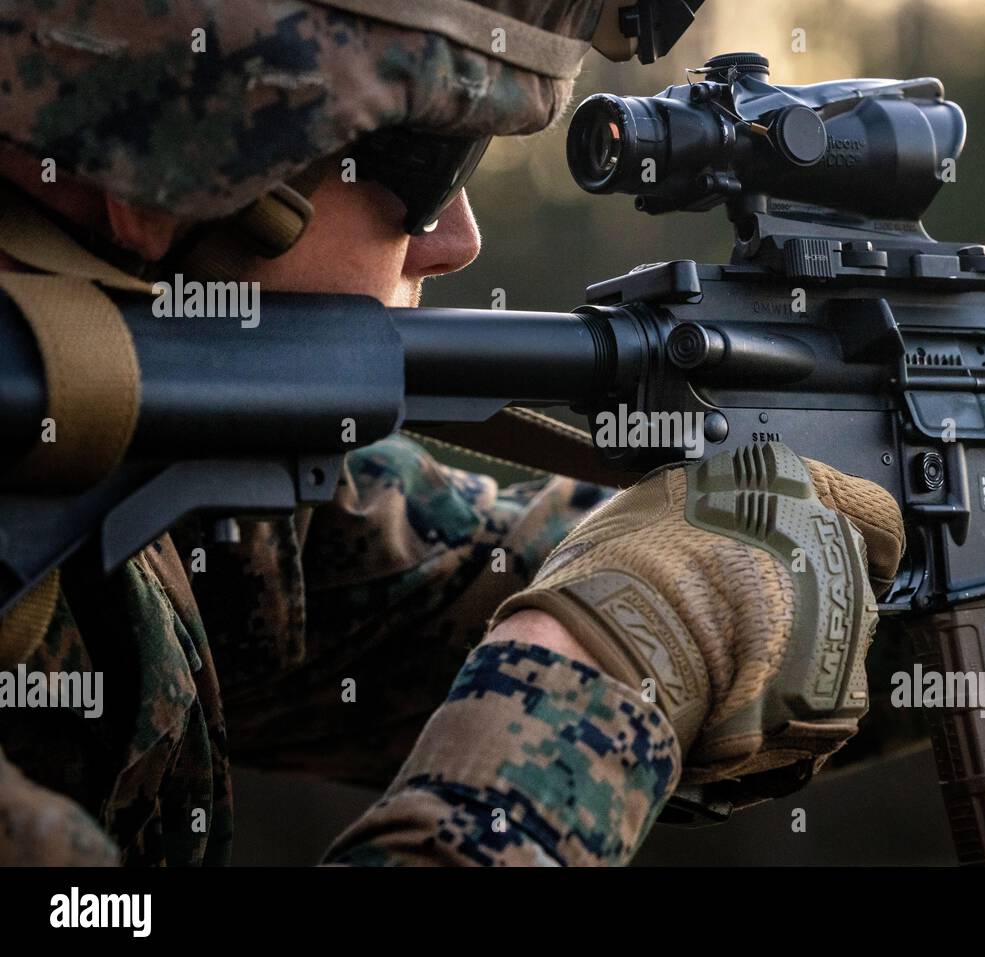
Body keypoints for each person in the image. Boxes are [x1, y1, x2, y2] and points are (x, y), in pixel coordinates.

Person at [0, 0, 904, 865]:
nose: (458, 240)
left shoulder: (144, 466)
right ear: (166, 168)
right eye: (434, 168)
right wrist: (608, 660)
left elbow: (472, 572)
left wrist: (897, 554)